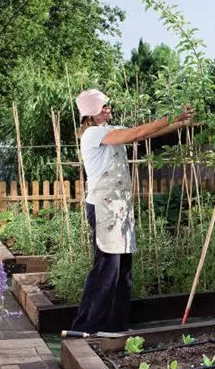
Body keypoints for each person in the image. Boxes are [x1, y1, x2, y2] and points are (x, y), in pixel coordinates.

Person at [70, 88, 195, 333]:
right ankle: (86, 325)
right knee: (108, 267)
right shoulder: (93, 134)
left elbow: (144, 134)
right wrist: (173, 117)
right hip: (103, 206)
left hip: (119, 207)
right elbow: (136, 133)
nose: (109, 109)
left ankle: (116, 326)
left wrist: (179, 122)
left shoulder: (107, 130)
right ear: (92, 113)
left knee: (123, 268)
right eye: (104, 106)